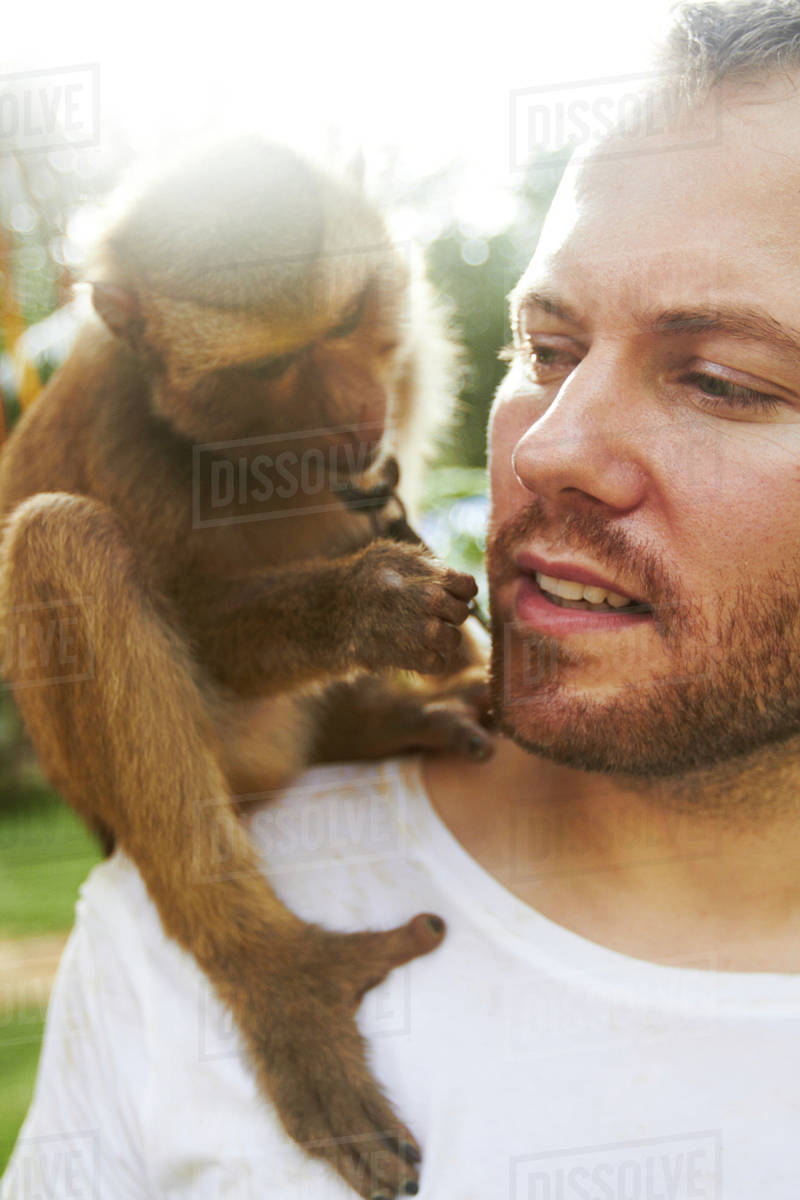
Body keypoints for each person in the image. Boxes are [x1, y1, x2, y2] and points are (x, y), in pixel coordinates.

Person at [5, 2, 800, 1196]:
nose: (546, 449)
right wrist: (339, 623)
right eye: (544, 349)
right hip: (185, 757)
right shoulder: (140, 969)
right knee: (56, 542)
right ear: (134, 335)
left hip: (323, 706)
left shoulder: (394, 325)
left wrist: (379, 638)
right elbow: (186, 657)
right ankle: (252, 954)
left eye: (723, 381)